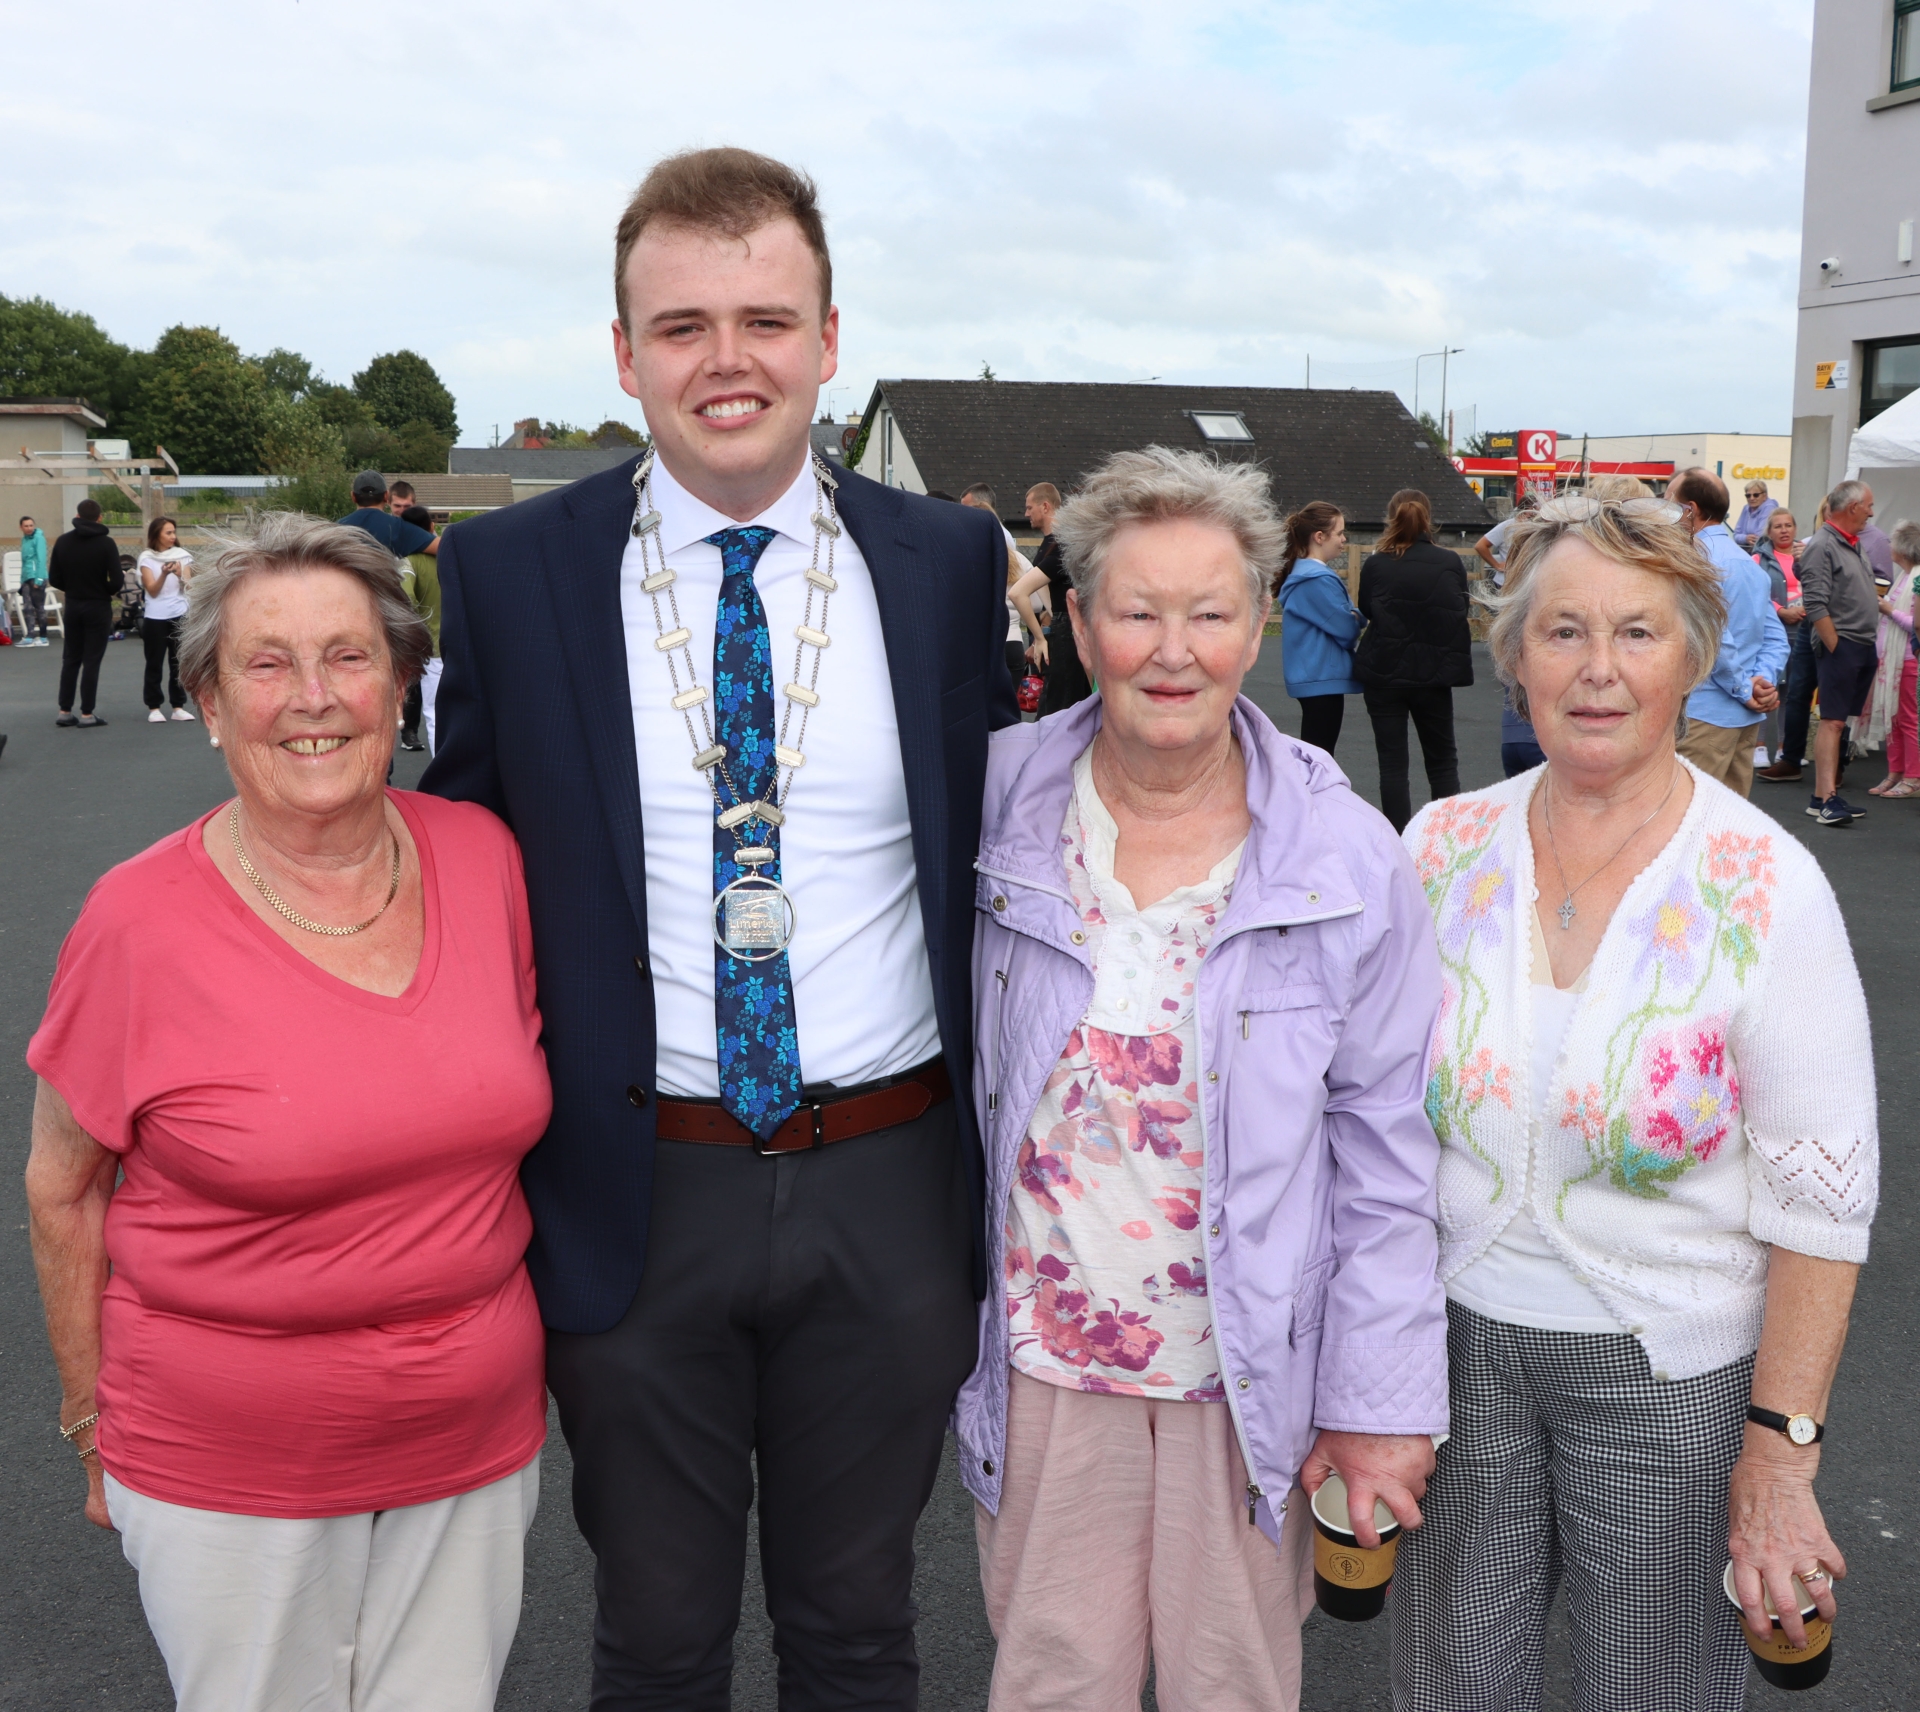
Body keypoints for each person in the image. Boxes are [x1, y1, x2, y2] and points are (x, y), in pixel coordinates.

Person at [422, 146, 1016, 1709]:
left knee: (857, 1630)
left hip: (889, 1183)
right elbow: (455, 850)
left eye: (767, 317)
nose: (728, 360)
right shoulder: (506, 571)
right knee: (659, 1639)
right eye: (681, 326)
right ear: (623, 356)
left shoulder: (947, 564)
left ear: (831, 338)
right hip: (636, 1186)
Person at [25, 512, 551, 1711]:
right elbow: (62, 1185)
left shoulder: (484, 858)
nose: (313, 697)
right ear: (210, 700)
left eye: (350, 656)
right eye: (267, 663)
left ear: (403, 682)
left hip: (469, 1448)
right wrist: (87, 1422)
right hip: (228, 1461)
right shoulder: (135, 920)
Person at [962, 445, 1446, 1712]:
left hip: (1248, 1377)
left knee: (1230, 1687)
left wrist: (1376, 1398)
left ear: (1261, 621)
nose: (1172, 649)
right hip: (1043, 1363)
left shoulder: (1346, 854)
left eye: (1210, 612)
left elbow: (1388, 1153)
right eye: (1135, 611)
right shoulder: (998, 803)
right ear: (1076, 619)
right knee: (1052, 1682)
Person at [1391, 492, 1878, 1712]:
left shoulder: (1767, 884)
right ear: (1512, 657)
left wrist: (1778, 1451)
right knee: (1449, 1682)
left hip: (1674, 1372)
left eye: (1639, 634)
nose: (1598, 670)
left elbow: (1822, 1199)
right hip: (1448, 1353)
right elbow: (1363, 1126)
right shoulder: (1435, 848)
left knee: (1653, 1686)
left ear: (1695, 659)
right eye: (1562, 631)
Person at [1355, 488, 1472, 833]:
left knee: (1392, 765)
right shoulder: (1449, 560)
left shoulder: (1377, 563)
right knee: (1442, 763)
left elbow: (1365, 608)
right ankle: (1446, 836)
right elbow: (1460, 608)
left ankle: (1400, 839)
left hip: (1385, 672)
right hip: (1434, 674)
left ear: (1392, 516)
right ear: (1428, 516)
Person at [1667, 469, 1786, 797]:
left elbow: (1712, 637)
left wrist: (1745, 688)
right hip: (1744, 717)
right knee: (1727, 829)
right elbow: (1774, 638)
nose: (1662, 512)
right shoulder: (1748, 563)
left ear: (1689, 509)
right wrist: (1761, 681)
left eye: (1667, 502)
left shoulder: (1695, 562)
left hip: (1705, 716)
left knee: (1688, 823)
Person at [1797, 480, 1882, 825]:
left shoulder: (1850, 543)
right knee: (1832, 722)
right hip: (1843, 645)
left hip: (1858, 644)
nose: (1872, 513)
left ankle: (1823, 797)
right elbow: (1815, 602)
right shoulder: (1823, 544)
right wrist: (1835, 646)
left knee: (1837, 722)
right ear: (1852, 508)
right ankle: (1826, 799)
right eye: (1868, 506)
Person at [1274, 500, 1361, 753]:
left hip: (1314, 674)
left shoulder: (1305, 575)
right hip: (1322, 676)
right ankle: (1310, 794)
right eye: (1339, 533)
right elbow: (1347, 630)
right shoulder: (1316, 580)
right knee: (1320, 756)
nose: (1344, 539)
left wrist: (1352, 615)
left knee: (1317, 750)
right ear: (1320, 537)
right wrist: (1356, 615)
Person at [1014, 481, 1095, 715]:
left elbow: (1019, 592)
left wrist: (1040, 637)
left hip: (1067, 633)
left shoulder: (1064, 546)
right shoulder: (1053, 544)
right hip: (1062, 629)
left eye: (1030, 508)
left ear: (1046, 507)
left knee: (1062, 710)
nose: (1026, 514)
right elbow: (1051, 598)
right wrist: (1042, 634)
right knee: (1057, 708)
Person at [48, 498, 121, 728]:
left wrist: (72, 588)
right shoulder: (106, 544)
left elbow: (54, 578)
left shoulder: (63, 541)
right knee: (92, 660)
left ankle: (64, 710)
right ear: (99, 517)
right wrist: (104, 590)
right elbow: (117, 580)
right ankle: (87, 713)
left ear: (78, 516)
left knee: (71, 658)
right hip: (98, 606)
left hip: (73, 604)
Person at [1863, 521, 1920, 796]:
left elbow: (1917, 624)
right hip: (1892, 659)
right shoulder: (1903, 577)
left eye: (1894, 543)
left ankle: (1913, 777)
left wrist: (1889, 611)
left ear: (1905, 549)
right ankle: (1896, 772)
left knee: (1908, 718)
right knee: (1893, 716)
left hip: (1909, 660)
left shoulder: (1917, 578)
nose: (1890, 547)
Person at [137, 516, 196, 723]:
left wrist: (180, 574)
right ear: (157, 535)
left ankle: (178, 706)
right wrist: (163, 574)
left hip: (179, 613)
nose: (173, 536)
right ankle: (154, 707)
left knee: (178, 662)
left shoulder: (182, 556)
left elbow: (189, 586)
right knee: (154, 662)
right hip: (155, 616)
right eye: (168, 532)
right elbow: (151, 591)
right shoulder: (146, 558)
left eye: (174, 532)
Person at [338, 471, 438, 560]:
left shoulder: (336, 529)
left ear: (353, 497)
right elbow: (445, 546)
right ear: (386, 496)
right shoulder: (399, 528)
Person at [1471, 491, 1537, 586]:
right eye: (1534, 510)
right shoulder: (1506, 527)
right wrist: (1496, 565)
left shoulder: (1537, 528)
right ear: (1527, 510)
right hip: (1505, 583)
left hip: (1529, 583)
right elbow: (1480, 546)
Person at [18, 514, 51, 644]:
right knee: (27, 607)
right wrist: (22, 579)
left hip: (37, 576)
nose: (29, 528)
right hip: (26, 577)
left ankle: (43, 636)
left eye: (31, 525)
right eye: (26, 526)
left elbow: (41, 559)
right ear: (21, 527)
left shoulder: (39, 538)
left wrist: (39, 579)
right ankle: (30, 635)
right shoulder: (24, 540)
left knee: (38, 607)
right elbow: (24, 560)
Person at [1732, 477, 1778, 549]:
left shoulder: (1770, 507)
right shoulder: (1746, 508)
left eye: (1756, 495)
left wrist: (1744, 538)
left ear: (1765, 496)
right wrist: (1745, 538)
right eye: (1748, 495)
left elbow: (1761, 537)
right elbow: (1735, 535)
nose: (1751, 498)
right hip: (1747, 550)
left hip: (1764, 551)